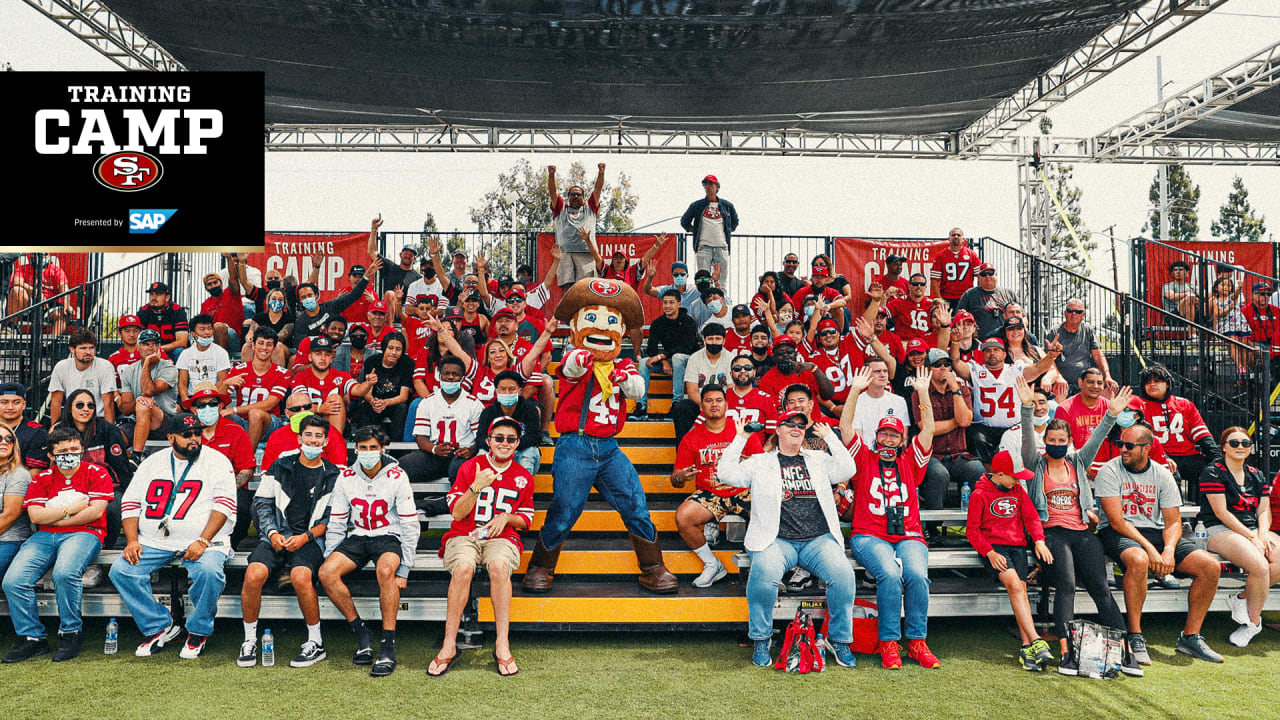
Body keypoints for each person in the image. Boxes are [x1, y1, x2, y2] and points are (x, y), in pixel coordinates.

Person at [523, 277, 678, 594]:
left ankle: (653, 568)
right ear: (578, 327)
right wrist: (584, 357)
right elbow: (572, 366)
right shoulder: (573, 356)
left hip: (608, 448)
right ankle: (541, 567)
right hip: (575, 445)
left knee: (635, 503)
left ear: (621, 331)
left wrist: (626, 376)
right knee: (565, 507)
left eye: (611, 322)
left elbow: (637, 388)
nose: (603, 329)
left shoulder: (623, 365)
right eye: (592, 319)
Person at [716, 408, 859, 668]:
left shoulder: (817, 458)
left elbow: (848, 469)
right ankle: (761, 638)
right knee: (763, 574)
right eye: (789, 424)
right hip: (776, 539)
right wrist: (739, 437)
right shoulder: (761, 461)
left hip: (817, 538)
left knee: (843, 575)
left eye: (801, 426)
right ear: (778, 430)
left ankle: (839, 639)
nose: (796, 428)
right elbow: (725, 474)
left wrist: (831, 438)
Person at [1017, 377, 1136, 675]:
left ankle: (1126, 649)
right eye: (1052, 441)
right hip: (1051, 532)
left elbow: (1098, 437)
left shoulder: (1078, 461)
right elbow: (1027, 439)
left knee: (1101, 588)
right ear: (1046, 442)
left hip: (1081, 531)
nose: (1056, 445)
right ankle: (1067, 652)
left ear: (1069, 442)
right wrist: (1027, 407)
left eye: (1061, 441)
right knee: (1067, 585)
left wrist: (1112, 414)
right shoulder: (1035, 462)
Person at [109, 413, 237, 660]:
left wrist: (203, 540)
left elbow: (224, 505)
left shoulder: (217, 461)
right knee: (122, 571)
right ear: (170, 438)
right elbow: (131, 502)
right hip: (155, 541)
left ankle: (198, 630)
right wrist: (132, 540)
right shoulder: (153, 463)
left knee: (209, 572)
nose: (194, 440)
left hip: (205, 540)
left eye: (197, 434)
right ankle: (159, 626)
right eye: (187, 435)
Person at [840, 365, 942, 670]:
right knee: (890, 575)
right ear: (876, 435)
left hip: (908, 534)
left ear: (901, 439)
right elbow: (846, 428)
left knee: (917, 576)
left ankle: (917, 642)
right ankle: (888, 642)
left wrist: (923, 392)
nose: (887, 438)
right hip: (869, 534)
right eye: (883, 432)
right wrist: (855, 391)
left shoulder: (911, 461)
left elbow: (928, 431)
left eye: (894, 434)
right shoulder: (864, 458)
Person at [1096, 423, 1223, 665]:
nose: (1123, 449)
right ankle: (1135, 635)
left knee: (1210, 566)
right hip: (1116, 532)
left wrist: (1168, 550)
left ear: (1147, 449)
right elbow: (1116, 521)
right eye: (1121, 444)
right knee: (1139, 559)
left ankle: (1190, 637)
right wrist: (1151, 549)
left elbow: (1174, 522)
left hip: (1154, 532)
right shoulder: (1109, 471)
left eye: (1130, 446)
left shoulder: (1162, 474)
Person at [430, 416, 535, 677]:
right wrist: (476, 487)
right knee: (464, 567)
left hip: (501, 537)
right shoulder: (470, 467)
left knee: (499, 567)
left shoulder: (522, 476)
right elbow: (456, 513)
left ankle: (502, 642)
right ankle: (449, 643)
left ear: (517, 443)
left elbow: (526, 518)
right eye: (499, 438)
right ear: (488, 441)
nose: (504, 443)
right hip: (465, 534)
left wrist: (506, 517)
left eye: (511, 439)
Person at [0, 426, 111, 663]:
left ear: (82, 449)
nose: (69, 454)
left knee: (64, 573)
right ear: (51, 455)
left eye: (74, 449)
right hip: (44, 536)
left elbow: (96, 511)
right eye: (62, 451)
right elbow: (35, 516)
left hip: (86, 533)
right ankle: (32, 638)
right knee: (13, 580)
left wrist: (55, 517)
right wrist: (69, 510)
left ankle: (71, 632)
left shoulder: (98, 472)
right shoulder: (41, 477)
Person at [318, 426, 419, 677]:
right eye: (363, 448)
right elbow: (339, 520)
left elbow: (409, 523)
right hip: (360, 535)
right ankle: (361, 631)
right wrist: (331, 553)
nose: (368, 452)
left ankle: (388, 644)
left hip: (388, 535)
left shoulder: (397, 476)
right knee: (327, 573)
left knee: (386, 570)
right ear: (356, 449)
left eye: (373, 447)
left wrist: (405, 566)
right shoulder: (346, 477)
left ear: (383, 449)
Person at [239, 414, 339, 668]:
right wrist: (272, 532)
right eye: (309, 435)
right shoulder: (280, 466)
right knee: (253, 574)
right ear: (299, 438)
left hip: (309, 540)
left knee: (301, 577)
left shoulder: (334, 475)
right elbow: (262, 502)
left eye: (318, 436)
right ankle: (250, 639)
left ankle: (315, 642)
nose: (313, 441)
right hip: (276, 536)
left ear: (325, 441)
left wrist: (306, 536)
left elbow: (332, 518)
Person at [965, 449, 1055, 670]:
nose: (1018, 480)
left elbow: (1032, 517)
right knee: (1015, 586)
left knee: (1021, 592)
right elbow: (972, 531)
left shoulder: (1016, 490)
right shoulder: (979, 494)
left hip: (1016, 547)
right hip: (995, 548)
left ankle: (1027, 649)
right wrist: (989, 552)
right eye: (1014, 476)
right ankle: (1036, 639)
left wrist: (1039, 540)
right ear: (1000, 474)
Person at [671, 385, 763, 588]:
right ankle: (712, 564)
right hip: (710, 493)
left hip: (742, 490)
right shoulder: (691, 437)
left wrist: (751, 463)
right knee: (683, 517)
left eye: (719, 400)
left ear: (726, 404)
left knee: (769, 512)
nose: (714, 404)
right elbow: (675, 480)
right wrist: (681, 477)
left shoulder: (741, 430)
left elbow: (763, 467)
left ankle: (764, 567)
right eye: (709, 400)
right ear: (701, 406)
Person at [1199, 427, 1280, 648]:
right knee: (1260, 566)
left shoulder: (1257, 473)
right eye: (1234, 443)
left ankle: (1242, 598)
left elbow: (1264, 510)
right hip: (1219, 529)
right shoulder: (1213, 471)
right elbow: (1221, 513)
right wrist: (1251, 536)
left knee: (1279, 560)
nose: (1240, 447)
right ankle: (1253, 624)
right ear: (1224, 446)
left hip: (1253, 530)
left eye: (1245, 443)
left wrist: (1262, 534)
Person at [952, 336, 1060, 462]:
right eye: (988, 350)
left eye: (996, 350)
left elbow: (1038, 368)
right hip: (985, 428)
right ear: (983, 354)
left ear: (1004, 354)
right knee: (975, 436)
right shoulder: (976, 370)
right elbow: (956, 362)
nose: (992, 353)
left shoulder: (1015, 369)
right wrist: (955, 341)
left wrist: (1051, 355)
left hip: (1013, 427)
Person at [914, 349, 982, 532]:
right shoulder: (920, 391)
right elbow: (927, 428)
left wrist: (956, 390)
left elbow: (966, 421)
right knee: (938, 475)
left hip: (958, 454)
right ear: (929, 369)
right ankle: (933, 529)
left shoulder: (962, 390)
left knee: (978, 470)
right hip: (932, 454)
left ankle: (978, 527)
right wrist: (956, 422)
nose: (943, 368)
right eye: (938, 365)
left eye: (946, 364)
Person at [1132, 363, 1219, 502]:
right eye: (1147, 382)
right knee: (1170, 473)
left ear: (1168, 384)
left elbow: (1202, 435)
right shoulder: (1139, 406)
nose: (1152, 384)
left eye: (1157, 381)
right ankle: (1179, 518)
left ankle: (1207, 516)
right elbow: (1143, 438)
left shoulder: (1185, 404)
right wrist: (1163, 457)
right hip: (1157, 456)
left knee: (1213, 471)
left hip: (1188, 455)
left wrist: (1218, 460)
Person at [184, 383, 256, 549]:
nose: (208, 408)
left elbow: (247, 469)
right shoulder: (186, 434)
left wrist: (227, 489)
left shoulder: (236, 431)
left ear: (221, 405)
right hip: (192, 487)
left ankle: (230, 546)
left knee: (243, 507)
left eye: (213, 403)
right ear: (194, 410)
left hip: (229, 488)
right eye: (202, 405)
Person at [400, 355, 484, 484]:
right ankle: (420, 499)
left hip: (462, 453)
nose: (450, 377)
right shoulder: (427, 402)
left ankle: (458, 502)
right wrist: (434, 449)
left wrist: (471, 450)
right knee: (401, 467)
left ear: (462, 377)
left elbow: (481, 437)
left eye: (455, 374)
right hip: (435, 452)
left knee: (459, 470)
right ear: (439, 376)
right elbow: (421, 438)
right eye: (446, 373)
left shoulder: (473, 403)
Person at [219, 327, 290, 448]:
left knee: (255, 414)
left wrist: (234, 409)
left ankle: (249, 458)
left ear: (274, 349)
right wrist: (225, 384)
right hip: (241, 420)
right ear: (253, 346)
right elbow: (219, 400)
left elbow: (269, 404)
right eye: (261, 343)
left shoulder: (282, 373)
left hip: (268, 422)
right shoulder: (239, 370)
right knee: (217, 414)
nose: (264, 348)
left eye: (269, 344)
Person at [636, 287, 700, 418]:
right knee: (643, 362)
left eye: (671, 302)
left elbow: (687, 346)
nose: (667, 306)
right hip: (669, 361)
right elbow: (651, 348)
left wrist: (662, 356)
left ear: (679, 304)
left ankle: (676, 402)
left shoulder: (688, 322)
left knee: (677, 358)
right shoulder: (658, 323)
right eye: (665, 302)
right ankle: (641, 405)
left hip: (687, 361)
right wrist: (664, 361)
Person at [118, 329, 180, 454]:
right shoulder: (130, 371)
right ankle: (127, 465)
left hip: (165, 422)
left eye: (155, 344)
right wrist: (137, 402)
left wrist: (146, 364)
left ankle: (136, 455)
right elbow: (125, 408)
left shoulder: (169, 368)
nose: (151, 348)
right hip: (137, 421)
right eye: (146, 344)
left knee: (143, 404)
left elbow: (148, 391)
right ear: (137, 347)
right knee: (115, 437)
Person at [670, 323, 735, 438]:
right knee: (682, 407)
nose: (714, 342)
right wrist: (706, 406)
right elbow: (692, 391)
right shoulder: (695, 358)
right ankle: (683, 450)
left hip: (723, 404)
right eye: (710, 339)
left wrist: (717, 405)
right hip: (700, 403)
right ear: (704, 340)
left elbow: (731, 389)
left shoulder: (731, 359)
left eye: (718, 339)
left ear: (724, 341)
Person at [548, 163, 606, 292]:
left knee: (586, 288)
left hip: (587, 254)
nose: (575, 196)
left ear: (583, 198)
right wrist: (551, 175)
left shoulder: (589, 208)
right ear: (568, 197)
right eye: (573, 194)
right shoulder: (561, 208)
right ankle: (566, 312)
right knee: (566, 288)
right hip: (565, 253)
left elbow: (598, 189)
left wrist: (601, 173)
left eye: (579, 194)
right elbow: (552, 192)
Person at [474, 370, 543, 475]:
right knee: (481, 454)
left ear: (519, 390)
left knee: (530, 452)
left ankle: (522, 487)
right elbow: (480, 438)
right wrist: (500, 447)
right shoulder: (488, 412)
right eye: (503, 389)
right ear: (496, 390)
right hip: (496, 451)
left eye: (512, 389)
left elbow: (535, 437)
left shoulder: (530, 410)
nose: (507, 393)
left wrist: (510, 445)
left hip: (520, 451)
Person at [293, 259, 380, 341]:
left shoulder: (329, 307)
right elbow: (300, 344)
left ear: (316, 295)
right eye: (304, 297)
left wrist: (367, 275)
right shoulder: (301, 321)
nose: (308, 299)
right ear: (300, 301)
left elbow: (355, 294)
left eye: (309, 295)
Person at [260, 392, 349, 471]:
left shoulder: (330, 432)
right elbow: (267, 472)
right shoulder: (276, 436)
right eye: (296, 409)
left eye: (307, 407)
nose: (303, 411)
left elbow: (339, 470)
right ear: (287, 413)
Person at [349, 331, 415, 437]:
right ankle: (365, 442)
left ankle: (396, 450)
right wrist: (373, 402)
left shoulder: (407, 363)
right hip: (374, 401)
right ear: (384, 348)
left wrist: (385, 403)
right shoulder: (372, 361)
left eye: (398, 349)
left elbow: (404, 396)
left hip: (395, 403)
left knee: (402, 408)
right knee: (364, 408)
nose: (393, 352)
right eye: (390, 348)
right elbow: (367, 392)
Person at [48, 329, 118, 426]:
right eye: (83, 348)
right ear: (72, 349)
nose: (88, 352)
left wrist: (109, 432)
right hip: (72, 420)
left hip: (97, 420)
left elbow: (109, 403)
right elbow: (56, 402)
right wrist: (54, 429)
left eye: (91, 348)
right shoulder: (61, 367)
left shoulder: (105, 366)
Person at [291, 335, 356, 435]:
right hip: (308, 423)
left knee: (335, 399)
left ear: (332, 357)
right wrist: (320, 408)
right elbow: (299, 404)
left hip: (335, 422)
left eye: (327, 354)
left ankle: (334, 444)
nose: (322, 358)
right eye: (318, 354)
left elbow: (358, 390)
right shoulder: (301, 376)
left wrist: (369, 383)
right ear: (310, 356)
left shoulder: (341, 375)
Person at [1048, 299, 1116, 394]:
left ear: (1083, 315)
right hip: (1061, 383)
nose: (1074, 314)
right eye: (1070, 311)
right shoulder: (1055, 332)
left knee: (1110, 390)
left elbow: (1098, 355)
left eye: (1078, 311)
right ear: (1065, 313)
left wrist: (1108, 376)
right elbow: (1048, 360)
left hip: (1085, 382)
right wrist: (1058, 377)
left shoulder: (1088, 330)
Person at [682, 174, 739, 286]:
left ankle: (722, 301)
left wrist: (726, 231)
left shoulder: (727, 206)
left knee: (721, 281)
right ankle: (704, 300)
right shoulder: (697, 205)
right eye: (706, 184)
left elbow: (735, 222)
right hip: (704, 246)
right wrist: (695, 230)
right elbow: (684, 221)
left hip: (722, 246)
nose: (708, 186)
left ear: (717, 187)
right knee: (703, 280)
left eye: (711, 184)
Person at [757, 335, 834, 412]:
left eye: (789, 352)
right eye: (780, 353)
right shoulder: (767, 379)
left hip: (813, 421)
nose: (785, 355)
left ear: (796, 354)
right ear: (774, 357)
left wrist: (815, 369)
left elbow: (828, 395)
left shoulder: (807, 371)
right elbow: (770, 410)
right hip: (785, 422)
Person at [847, 357, 908, 445]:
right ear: (866, 375)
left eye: (885, 371)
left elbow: (903, 439)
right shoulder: (856, 402)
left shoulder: (899, 401)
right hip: (866, 455)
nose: (883, 375)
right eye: (877, 371)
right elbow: (857, 438)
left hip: (891, 454)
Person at [7, 254, 74, 335]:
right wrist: (37, 293)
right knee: (16, 290)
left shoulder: (56, 270)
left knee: (65, 313)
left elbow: (64, 287)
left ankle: (49, 344)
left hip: (50, 305)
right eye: (37, 253)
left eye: (45, 254)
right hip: (29, 305)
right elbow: (16, 282)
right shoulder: (22, 269)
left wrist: (67, 304)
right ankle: (11, 327)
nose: (41, 256)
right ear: (31, 255)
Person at [0, 424, 32, 582]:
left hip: (9, 540)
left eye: (9, 439)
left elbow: (10, 515)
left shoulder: (19, 475)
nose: (4, 442)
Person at [175, 314, 231, 404]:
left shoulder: (221, 353)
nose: (207, 333)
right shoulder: (185, 354)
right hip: (192, 397)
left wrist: (209, 398)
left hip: (213, 396)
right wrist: (185, 400)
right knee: (177, 411)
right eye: (202, 329)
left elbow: (222, 380)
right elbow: (182, 383)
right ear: (193, 333)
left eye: (209, 328)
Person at [955, 263, 1019, 340]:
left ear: (996, 274)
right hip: (980, 342)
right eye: (984, 274)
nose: (987, 276)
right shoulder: (969, 295)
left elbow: (1022, 317)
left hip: (1006, 340)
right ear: (979, 277)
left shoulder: (1009, 293)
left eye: (990, 273)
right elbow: (958, 317)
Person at [1053, 368, 1110, 449]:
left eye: (1099, 383)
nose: (1095, 386)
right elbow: (1060, 441)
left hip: (1107, 461)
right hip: (1077, 459)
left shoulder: (1110, 407)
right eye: (1090, 382)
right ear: (1080, 383)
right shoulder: (1065, 408)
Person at [0, 383, 48, 473]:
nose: (10, 407)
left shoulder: (36, 432)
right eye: (4, 402)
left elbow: (35, 474)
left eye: (16, 402)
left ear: (24, 405)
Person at [137, 280, 189, 362]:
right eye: (151, 294)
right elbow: (139, 339)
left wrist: (159, 349)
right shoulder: (143, 312)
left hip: (171, 351)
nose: (153, 298)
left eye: (158, 294)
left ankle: (180, 374)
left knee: (180, 351)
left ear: (167, 297)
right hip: (150, 351)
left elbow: (182, 342)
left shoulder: (177, 311)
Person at [1208, 274, 1251, 374]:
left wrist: (1239, 287)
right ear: (1216, 287)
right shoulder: (1215, 300)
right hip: (1226, 325)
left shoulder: (1231, 298)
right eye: (1223, 285)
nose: (1226, 287)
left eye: (1228, 285)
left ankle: (1245, 368)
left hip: (1239, 323)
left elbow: (1236, 294)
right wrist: (1228, 309)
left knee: (1244, 345)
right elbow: (1217, 313)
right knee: (1233, 341)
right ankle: (1239, 366)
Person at [930, 228, 981, 310]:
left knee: (965, 321)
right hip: (947, 297)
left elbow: (980, 276)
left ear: (963, 239)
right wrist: (939, 298)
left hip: (966, 296)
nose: (956, 237)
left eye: (958, 235)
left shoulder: (972, 254)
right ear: (949, 238)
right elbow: (934, 279)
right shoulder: (940, 256)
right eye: (953, 235)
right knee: (947, 321)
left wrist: (977, 295)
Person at [199, 263, 244, 352]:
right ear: (206, 288)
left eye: (215, 282)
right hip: (213, 339)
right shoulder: (205, 305)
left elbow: (233, 278)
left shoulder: (231, 294)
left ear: (221, 283)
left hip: (233, 339)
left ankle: (221, 360)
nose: (213, 286)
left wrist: (228, 258)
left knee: (219, 327)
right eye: (209, 284)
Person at [1242, 281, 1280, 380]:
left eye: (1269, 294)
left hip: (1273, 344)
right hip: (1254, 344)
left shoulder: (1276, 310)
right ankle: (1257, 377)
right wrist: (1254, 347)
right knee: (1251, 352)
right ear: (1253, 295)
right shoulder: (1244, 311)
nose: (1266, 296)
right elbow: (1242, 335)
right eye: (1262, 294)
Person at [887, 273, 934, 342]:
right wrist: (885, 297)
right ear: (909, 286)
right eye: (915, 284)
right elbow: (882, 313)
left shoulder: (931, 304)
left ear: (925, 287)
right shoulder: (900, 302)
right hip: (904, 342)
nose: (919, 286)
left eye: (922, 284)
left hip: (925, 343)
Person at [108, 314, 146, 378]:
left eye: (135, 330)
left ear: (140, 332)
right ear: (119, 334)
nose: (132, 334)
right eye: (127, 331)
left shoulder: (151, 352)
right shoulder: (113, 358)